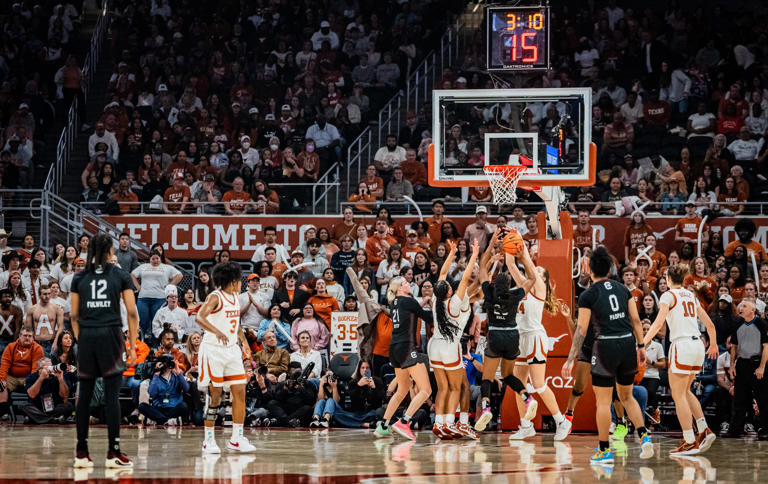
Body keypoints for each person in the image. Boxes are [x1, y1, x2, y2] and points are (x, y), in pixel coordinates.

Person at [562, 246, 653, 464]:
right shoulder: (623, 289)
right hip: (627, 345)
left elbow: (581, 331)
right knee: (627, 396)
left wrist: (570, 358)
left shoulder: (588, 294)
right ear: (610, 269)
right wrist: (641, 346)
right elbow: (635, 320)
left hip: (605, 348)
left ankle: (604, 451)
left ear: (590, 270)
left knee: (603, 402)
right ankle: (644, 437)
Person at [70, 233, 138, 468]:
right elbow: (131, 312)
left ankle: (81, 452)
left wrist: (82, 340)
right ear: (111, 252)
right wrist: (131, 347)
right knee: (111, 397)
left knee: (84, 397)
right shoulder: (120, 275)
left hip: (87, 336)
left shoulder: (79, 277)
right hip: (111, 335)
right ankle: (113, 452)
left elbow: (74, 315)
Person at [643, 265, 719, 454]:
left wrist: (642, 343)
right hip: (698, 346)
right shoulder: (690, 295)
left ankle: (689, 440)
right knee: (685, 391)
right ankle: (704, 429)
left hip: (682, 345)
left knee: (678, 395)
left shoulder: (668, 295)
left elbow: (659, 322)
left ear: (668, 279)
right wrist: (714, 344)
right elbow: (709, 324)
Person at [508, 240, 572, 441]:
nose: (534, 271)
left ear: (543, 279)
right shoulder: (523, 286)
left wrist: (522, 245)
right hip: (521, 339)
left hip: (535, 337)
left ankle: (561, 421)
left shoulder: (539, 290)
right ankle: (526, 426)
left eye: (538, 271)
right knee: (519, 384)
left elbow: (527, 264)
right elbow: (511, 265)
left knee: (539, 384)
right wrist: (507, 246)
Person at [474, 232, 537, 432]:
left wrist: (491, 244)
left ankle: (486, 408)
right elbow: (533, 278)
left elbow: (482, 268)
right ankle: (527, 398)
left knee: (487, 377)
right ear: (509, 285)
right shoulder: (515, 295)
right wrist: (522, 258)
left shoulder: (489, 293)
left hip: (495, 336)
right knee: (509, 375)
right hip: (512, 335)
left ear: (494, 284)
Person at [195, 261, 255, 454]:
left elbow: (235, 324)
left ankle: (237, 438)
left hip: (231, 350)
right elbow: (199, 318)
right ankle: (208, 439)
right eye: (239, 279)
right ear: (233, 280)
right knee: (215, 396)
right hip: (213, 350)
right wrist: (218, 331)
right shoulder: (215, 296)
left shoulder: (236, 297)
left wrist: (244, 344)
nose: (241, 283)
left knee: (240, 392)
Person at [429, 239, 479, 439]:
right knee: (456, 387)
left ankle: (439, 424)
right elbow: (465, 277)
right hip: (450, 347)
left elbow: (442, 274)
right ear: (449, 291)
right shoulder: (455, 303)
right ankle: (449, 423)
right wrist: (474, 254)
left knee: (442, 388)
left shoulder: (435, 300)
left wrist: (451, 253)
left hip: (434, 345)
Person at [375, 276, 434, 440]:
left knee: (402, 388)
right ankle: (405, 421)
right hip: (407, 348)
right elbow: (427, 317)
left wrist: (423, 303)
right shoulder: (410, 301)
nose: (409, 283)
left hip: (394, 349)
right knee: (426, 390)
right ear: (400, 287)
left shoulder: (394, 302)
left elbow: (414, 311)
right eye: (406, 283)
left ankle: (383, 425)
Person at [726, 300, 768, 440]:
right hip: (742, 364)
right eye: (740, 306)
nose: (740, 308)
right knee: (739, 399)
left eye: (744, 306)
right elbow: (734, 346)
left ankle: (764, 429)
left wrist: (762, 367)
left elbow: (766, 347)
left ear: (753, 310)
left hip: (757, 364)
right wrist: (732, 365)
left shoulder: (761, 324)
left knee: (762, 399)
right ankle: (735, 429)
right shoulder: (737, 323)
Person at [0, 328, 45, 419]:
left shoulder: (37, 348)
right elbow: (5, 364)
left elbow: (35, 369)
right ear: (19, 336)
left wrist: (31, 381)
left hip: (28, 376)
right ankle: (3, 411)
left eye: (30, 336)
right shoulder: (10, 347)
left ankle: (29, 413)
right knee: (1, 384)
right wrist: (2, 379)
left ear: (33, 338)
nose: (27, 338)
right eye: (25, 336)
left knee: (34, 383)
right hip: (12, 377)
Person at [138, 353, 189, 425]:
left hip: (173, 407)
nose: (168, 365)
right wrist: (156, 374)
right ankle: (168, 421)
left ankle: (158, 420)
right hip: (159, 407)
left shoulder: (177, 376)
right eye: (166, 362)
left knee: (184, 406)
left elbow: (186, 389)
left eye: (170, 362)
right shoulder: (156, 376)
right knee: (142, 406)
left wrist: (179, 373)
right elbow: (152, 392)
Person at [22, 356, 74, 424]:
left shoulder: (58, 376)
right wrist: (41, 378)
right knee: (24, 406)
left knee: (68, 405)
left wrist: (60, 379)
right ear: (38, 369)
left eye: (50, 367)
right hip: (38, 408)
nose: (49, 370)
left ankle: (38, 419)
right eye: (46, 367)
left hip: (55, 408)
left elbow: (65, 396)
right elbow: (32, 395)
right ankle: (54, 420)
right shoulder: (31, 377)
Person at [25, 284, 63, 356]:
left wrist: (56, 342)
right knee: (38, 366)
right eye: (45, 294)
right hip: (36, 342)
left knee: (50, 365)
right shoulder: (32, 309)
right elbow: (28, 329)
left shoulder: (57, 309)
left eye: (49, 294)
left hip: (51, 342)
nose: (47, 296)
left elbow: (61, 327)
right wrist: (31, 342)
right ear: (39, 295)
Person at [0, 288, 24, 356]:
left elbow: (18, 329)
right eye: (5, 296)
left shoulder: (17, 310)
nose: (8, 299)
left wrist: (14, 344)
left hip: (12, 339)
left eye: (9, 296)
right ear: (0, 299)